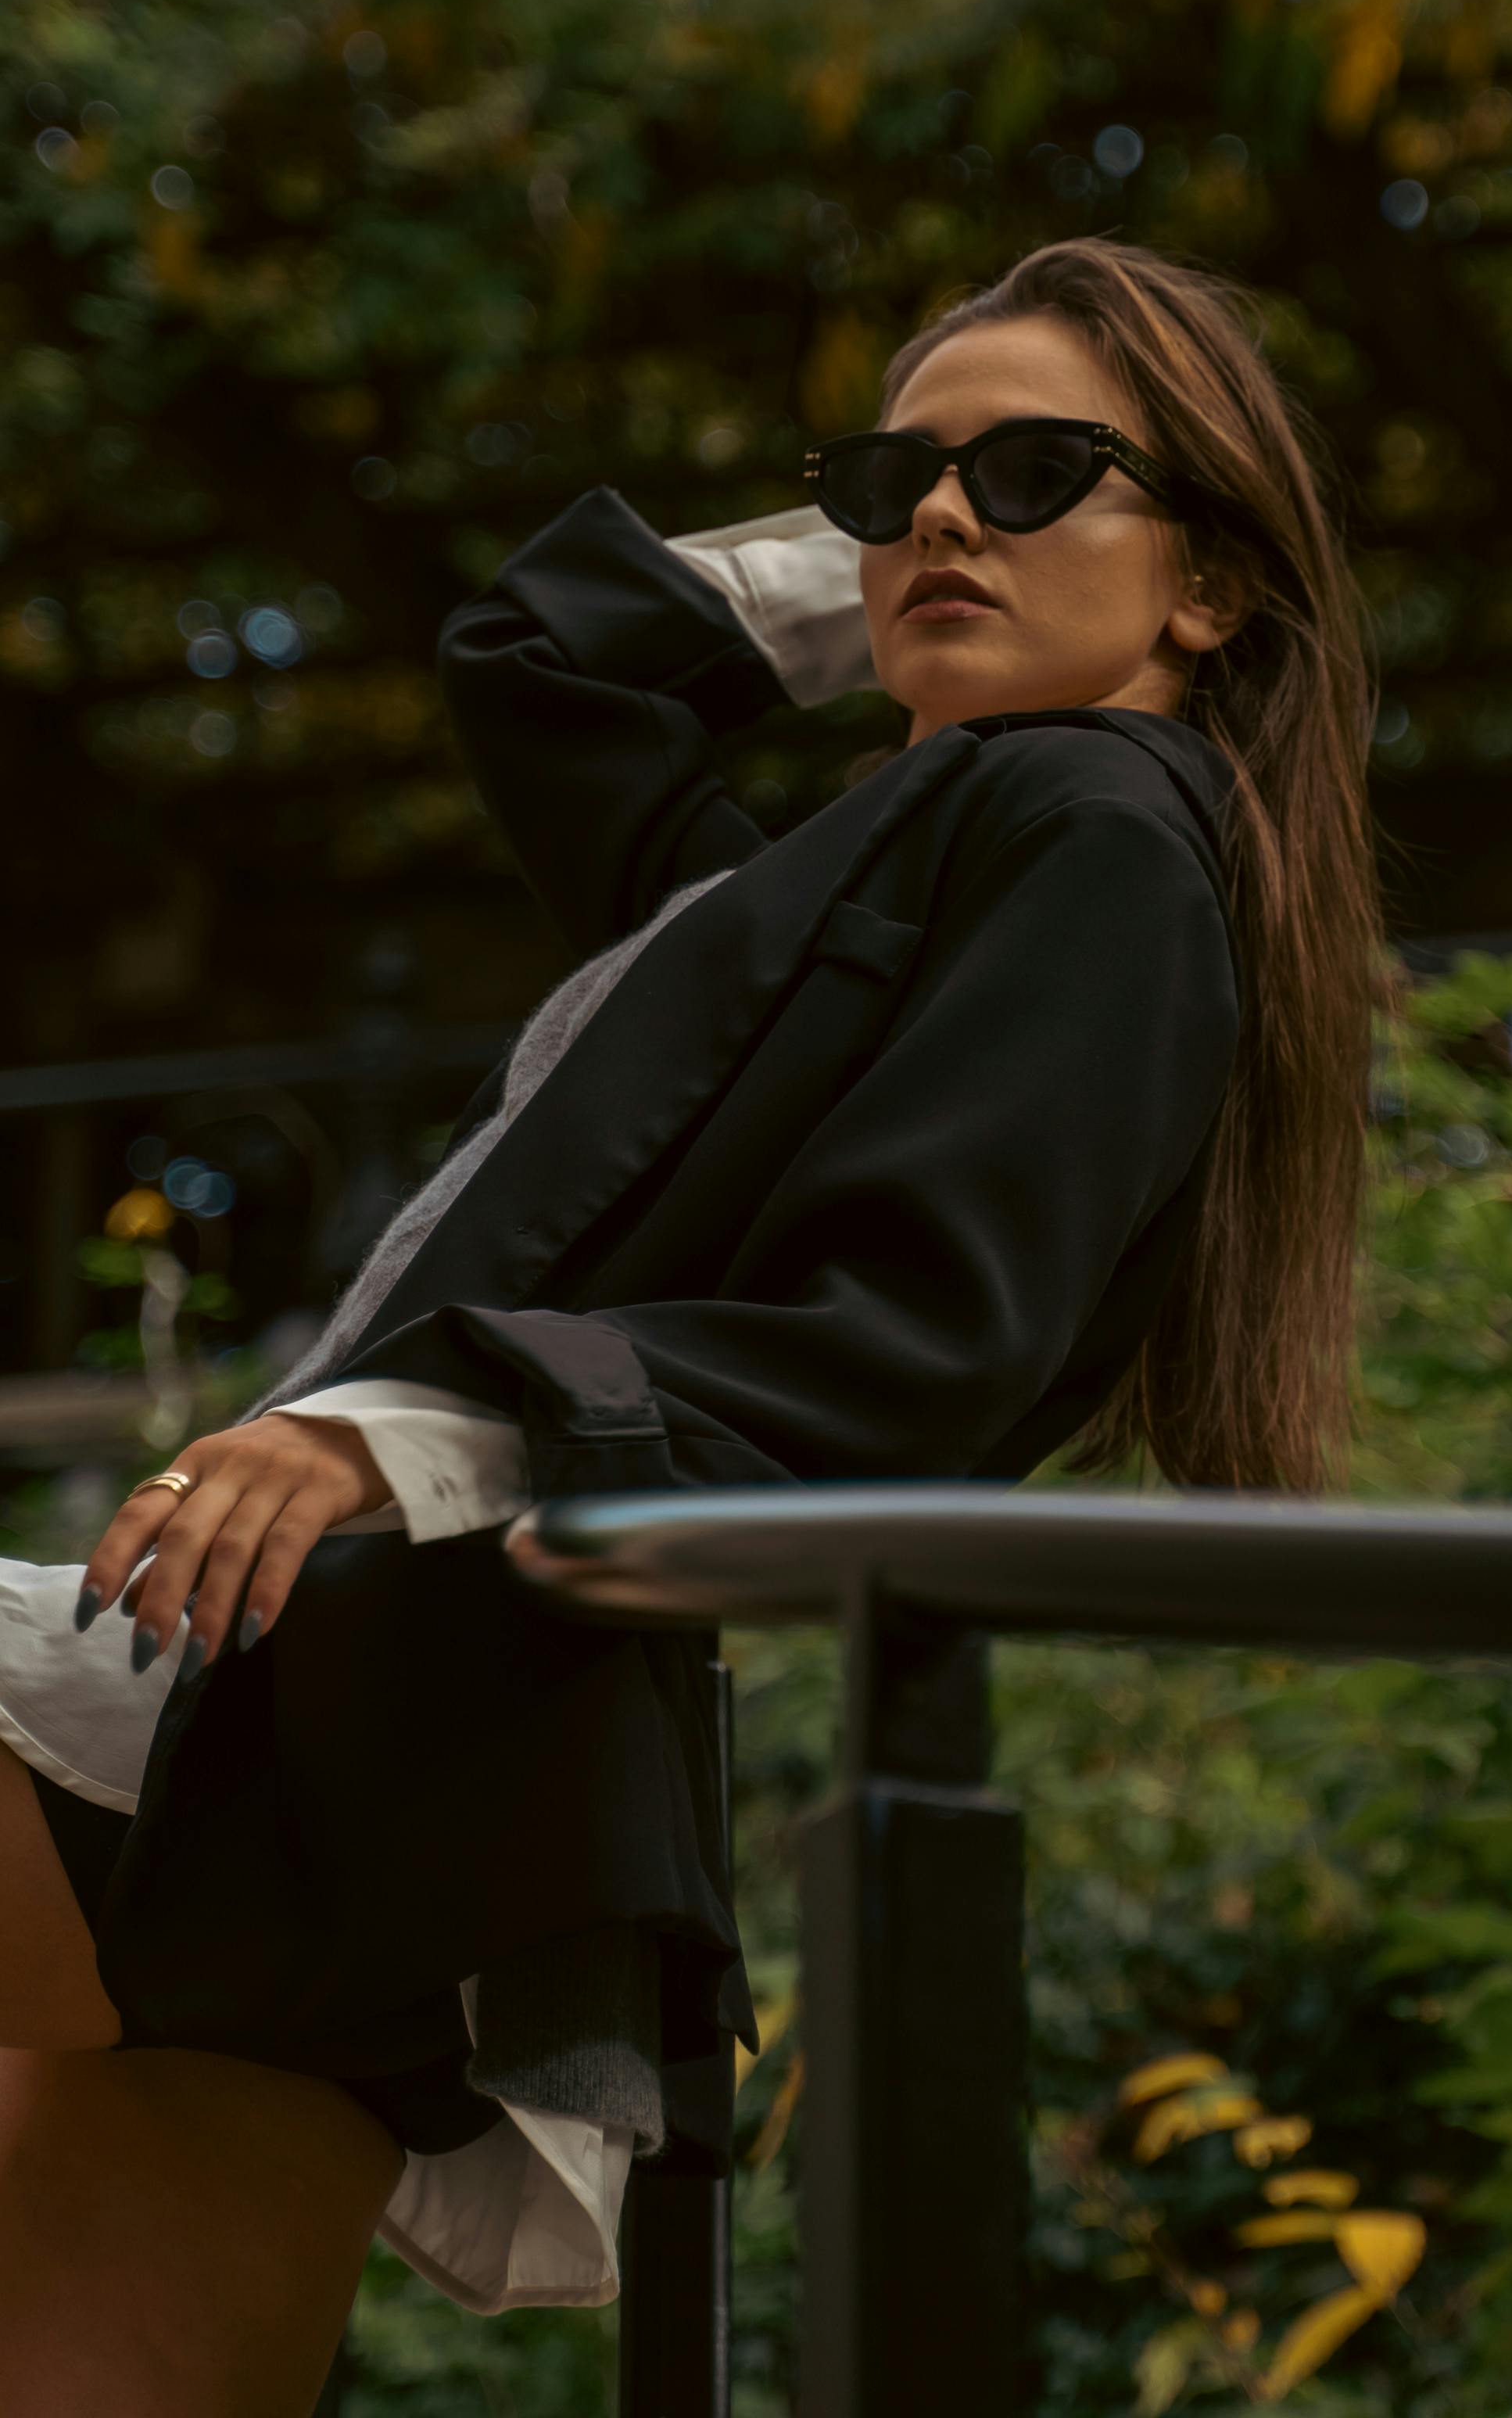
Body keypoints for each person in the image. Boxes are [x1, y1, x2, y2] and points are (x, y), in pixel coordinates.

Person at [0, 236, 1379, 2413]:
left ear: (1210, 585)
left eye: (1036, 471)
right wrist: (930, 567)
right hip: (399, 1743)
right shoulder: (855, 856)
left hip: (349, 1681)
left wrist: (402, 1430)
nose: (937, 514)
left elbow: (915, 1342)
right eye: (891, 477)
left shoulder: (1102, 828)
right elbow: (544, 660)